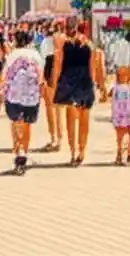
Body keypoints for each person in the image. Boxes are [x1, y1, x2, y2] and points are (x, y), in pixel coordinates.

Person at [51, 20, 105, 166]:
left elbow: (58, 65)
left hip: (69, 83)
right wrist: (94, 85)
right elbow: (93, 68)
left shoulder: (65, 45)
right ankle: (82, 151)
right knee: (84, 119)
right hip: (84, 83)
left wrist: (56, 85)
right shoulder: (90, 46)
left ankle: (73, 151)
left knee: (71, 119)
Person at [2, 30, 44, 174]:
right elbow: (41, 77)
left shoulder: (12, 55)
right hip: (31, 97)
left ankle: (17, 151)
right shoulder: (36, 55)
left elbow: (5, 76)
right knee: (27, 126)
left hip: (14, 96)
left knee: (16, 123)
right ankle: (23, 154)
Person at [37, 20, 63, 151]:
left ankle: (54, 138)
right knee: (59, 109)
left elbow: (42, 63)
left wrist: (41, 81)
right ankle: (60, 138)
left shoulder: (46, 42)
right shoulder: (65, 41)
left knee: (50, 108)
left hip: (50, 76)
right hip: (62, 77)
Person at [110, 65, 130, 165]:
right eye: (120, 76)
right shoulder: (115, 87)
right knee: (120, 136)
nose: (122, 78)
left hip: (129, 114)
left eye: (124, 76)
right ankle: (120, 154)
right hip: (119, 115)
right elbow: (112, 99)